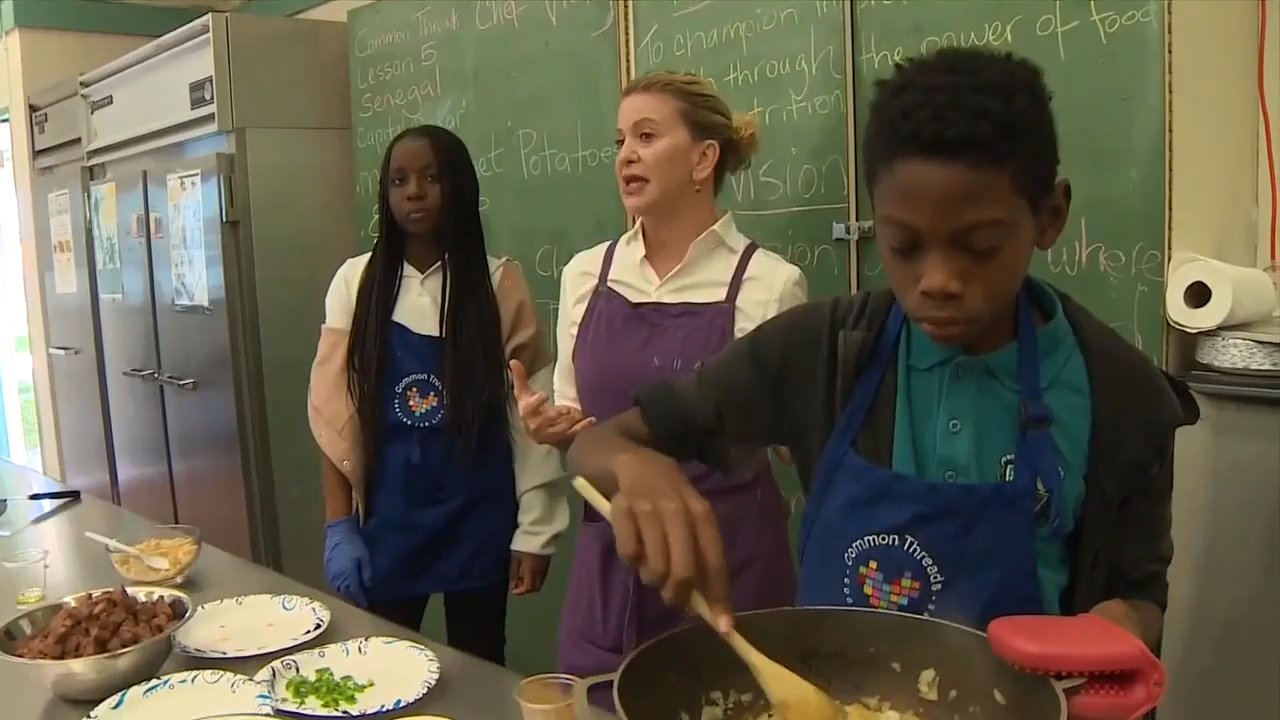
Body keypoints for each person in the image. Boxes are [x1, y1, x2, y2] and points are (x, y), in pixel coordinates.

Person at [562, 48, 1200, 651]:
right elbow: (596, 445)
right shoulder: (824, 352)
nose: (938, 279)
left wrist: (1110, 633)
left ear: (1050, 215)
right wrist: (633, 464)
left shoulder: (1122, 395)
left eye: (978, 245)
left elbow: (1140, 595)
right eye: (904, 246)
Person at [510, 71, 808, 699]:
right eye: (621, 140)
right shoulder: (586, 274)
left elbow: (791, 439)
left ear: (704, 158)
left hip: (728, 574)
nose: (627, 156)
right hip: (609, 569)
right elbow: (576, 414)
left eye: (647, 136)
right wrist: (549, 425)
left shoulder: (770, 285)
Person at [307, 124, 568, 666]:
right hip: (390, 521)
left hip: (479, 521)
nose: (414, 192)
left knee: (479, 668)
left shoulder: (499, 284)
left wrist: (537, 527)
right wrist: (339, 527)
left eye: (431, 178)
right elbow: (335, 419)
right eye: (399, 180)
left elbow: (532, 419)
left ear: (461, 187)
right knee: (381, 670)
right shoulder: (356, 283)